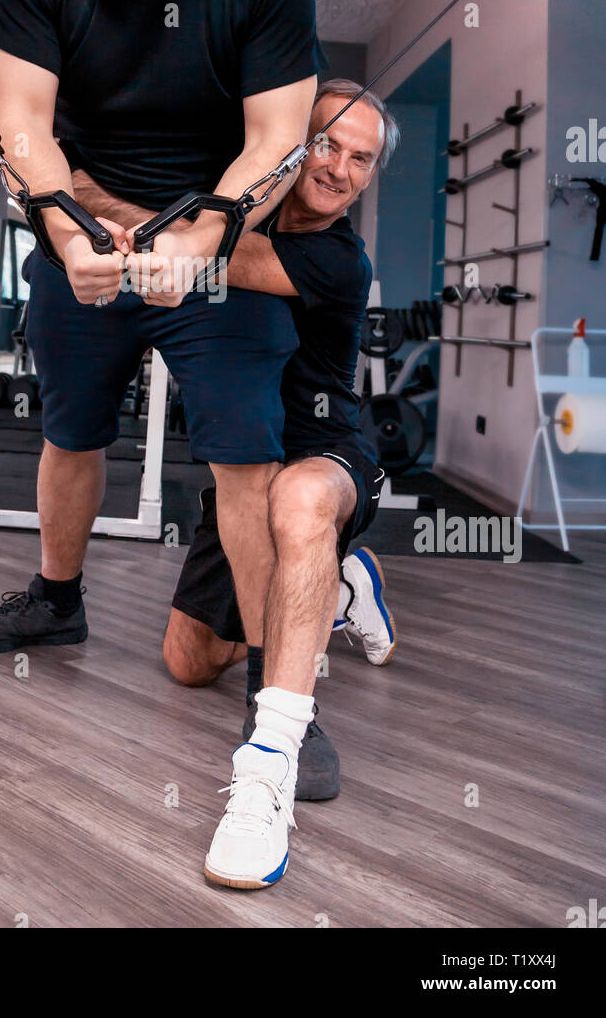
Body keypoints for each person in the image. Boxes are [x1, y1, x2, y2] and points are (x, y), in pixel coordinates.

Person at [0, 0, 328, 709]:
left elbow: (277, 138)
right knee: (70, 431)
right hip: (81, 233)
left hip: (214, 241)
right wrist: (66, 233)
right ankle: (58, 599)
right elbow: (24, 125)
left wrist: (199, 244)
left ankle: (277, 702)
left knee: (243, 458)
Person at [162, 79, 399, 889]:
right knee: (190, 662)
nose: (338, 167)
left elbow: (215, 251)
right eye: (325, 143)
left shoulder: (337, 258)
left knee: (298, 504)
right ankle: (333, 589)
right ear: (294, 141)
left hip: (326, 457)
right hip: (240, 470)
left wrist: (169, 227)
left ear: (368, 176)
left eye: (358, 158)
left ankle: (268, 766)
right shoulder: (257, 193)